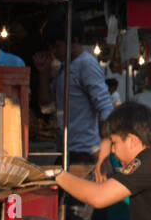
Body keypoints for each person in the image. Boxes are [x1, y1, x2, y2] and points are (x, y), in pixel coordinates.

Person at [34, 12, 114, 186]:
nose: (53, 52)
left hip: (86, 154)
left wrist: (104, 156)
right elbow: (47, 107)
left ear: (74, 40)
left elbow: (106, 109)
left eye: (56, 46)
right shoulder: (65, 67)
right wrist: (43, 74)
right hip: (68, 151)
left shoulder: (85, 64)